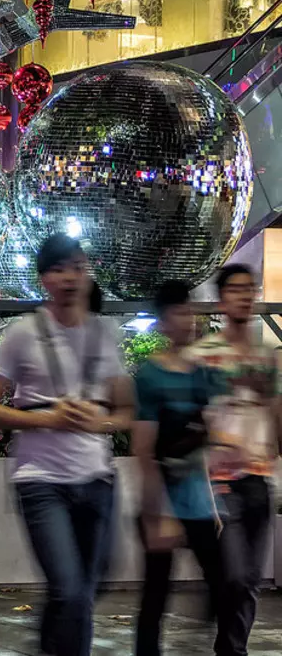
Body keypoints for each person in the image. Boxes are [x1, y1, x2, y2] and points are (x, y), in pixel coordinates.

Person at [0, 234, 133, 656]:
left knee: (86, 587)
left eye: (77, 268)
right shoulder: (23, 334)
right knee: (72, 591)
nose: (69, 278)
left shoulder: (104, 334)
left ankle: (50, 645)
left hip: (97, 480)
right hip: (40, 480)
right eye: (59, 269)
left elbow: (128, 411)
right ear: (44, 278)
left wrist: (102, 423)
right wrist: (46, 419)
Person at [189, 263, 278, 656]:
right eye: (237, 289)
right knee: (237, 574)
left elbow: (275, 419)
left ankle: (230, 649)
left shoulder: (265, 357)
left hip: (260, 478)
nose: (245, 296)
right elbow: (189, 418)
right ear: (222, 300)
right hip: (219, 482)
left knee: (250, 580)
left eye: (250, 289)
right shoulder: (205, 355)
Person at [132, 281, 225, 656]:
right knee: (156, 592)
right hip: (161, 502)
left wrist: (213, 504)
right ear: (162, 321)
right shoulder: (150, 377)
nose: (188, 320)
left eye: (190, 311)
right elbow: (143, 450)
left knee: (222, 585)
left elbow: (206, 439)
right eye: (179, 313)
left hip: (198, 501)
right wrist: (159, 516)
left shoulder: (202, 374)